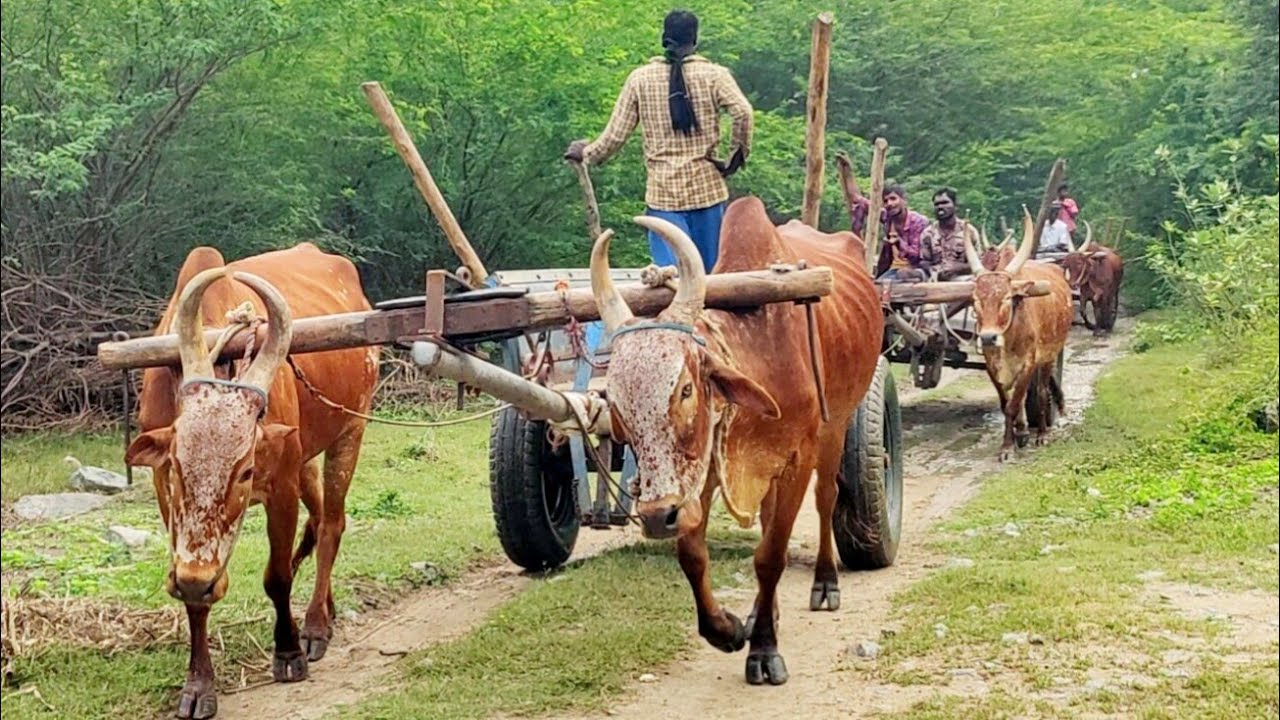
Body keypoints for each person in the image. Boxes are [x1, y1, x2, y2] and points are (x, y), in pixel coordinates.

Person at [564, 10, 753, 273]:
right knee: (711, 280)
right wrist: (735, 157)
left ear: (664, 39)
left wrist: (586, 153)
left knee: (668, 281)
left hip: (664, 197)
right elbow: (743, 112)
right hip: (707, 192)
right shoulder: (715, 75)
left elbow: (615, 136)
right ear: (695, 40)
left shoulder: (639, 79)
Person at [847, 184, 930, 281]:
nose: (889, 203)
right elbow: (863, 202)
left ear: (904, 200)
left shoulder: (918, 222)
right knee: (873, 286)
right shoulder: (888, 218)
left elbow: (917, 256)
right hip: (894, 269)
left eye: (893, 199)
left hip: (916, 269)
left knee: (891, 283)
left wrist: (899, 244)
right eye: (885, 201)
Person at [920, 188, 981, 280]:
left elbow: (979, 262)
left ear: (955, 206)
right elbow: (924, 261)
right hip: (934, 277)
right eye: (937, 204)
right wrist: (933, 270)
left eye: (945, 203)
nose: (940, 207)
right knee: (907, 275)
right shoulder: (928, 233)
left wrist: (957, 268)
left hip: (962, 277)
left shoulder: (969, 231)